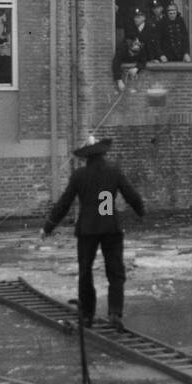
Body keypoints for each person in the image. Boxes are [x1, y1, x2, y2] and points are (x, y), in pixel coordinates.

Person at [43, 135, 145, 326]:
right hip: (110, 228)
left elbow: (64, 203)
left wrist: (48, 226)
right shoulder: (114, 171)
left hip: (87, 230)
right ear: (103, 153)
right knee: (115, 272)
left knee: (85, 271)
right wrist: (141, 212)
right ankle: (115, 312)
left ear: (87, 157)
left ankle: (87, 314)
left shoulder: (79, 176)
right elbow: (131, 195)